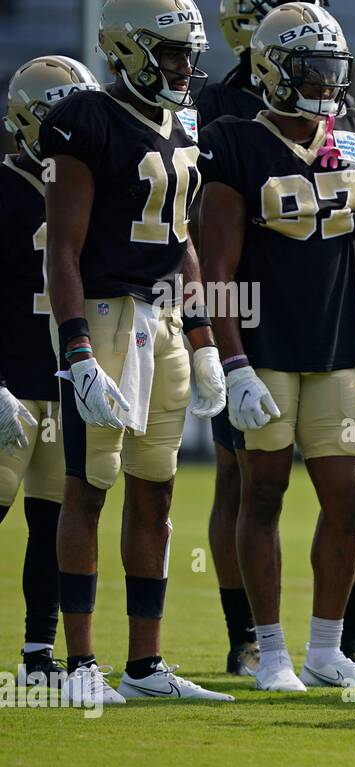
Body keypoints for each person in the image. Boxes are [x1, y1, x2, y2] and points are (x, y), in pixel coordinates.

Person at [199, 0, 355, 682]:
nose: (325, 81)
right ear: (271, 70)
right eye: (310, 68)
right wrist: (232, 361)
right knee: (260, 494)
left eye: (331, 67)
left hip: (340, 347)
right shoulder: (234, 140)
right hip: (265, 348)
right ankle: (268, 651)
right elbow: (218, 265)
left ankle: (327, 652)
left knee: (348, 496)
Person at [41, 0, 229, 705]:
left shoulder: (184, 122)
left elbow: (181, 241)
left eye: (189, 52)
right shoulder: (85, 122)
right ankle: (81, 664)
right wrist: (78, 351)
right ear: (126, 49)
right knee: (89, 490)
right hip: (103, 316)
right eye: (171, 52)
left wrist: (205, 338)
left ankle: (144, 665)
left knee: (158, 493)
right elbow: (61, 248)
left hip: (164, 325)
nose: (185, 66)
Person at [1, 57, 100, 687]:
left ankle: (39, 657)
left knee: (49, 525)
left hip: (61, 383)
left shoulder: (90, 188)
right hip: (10, 382)